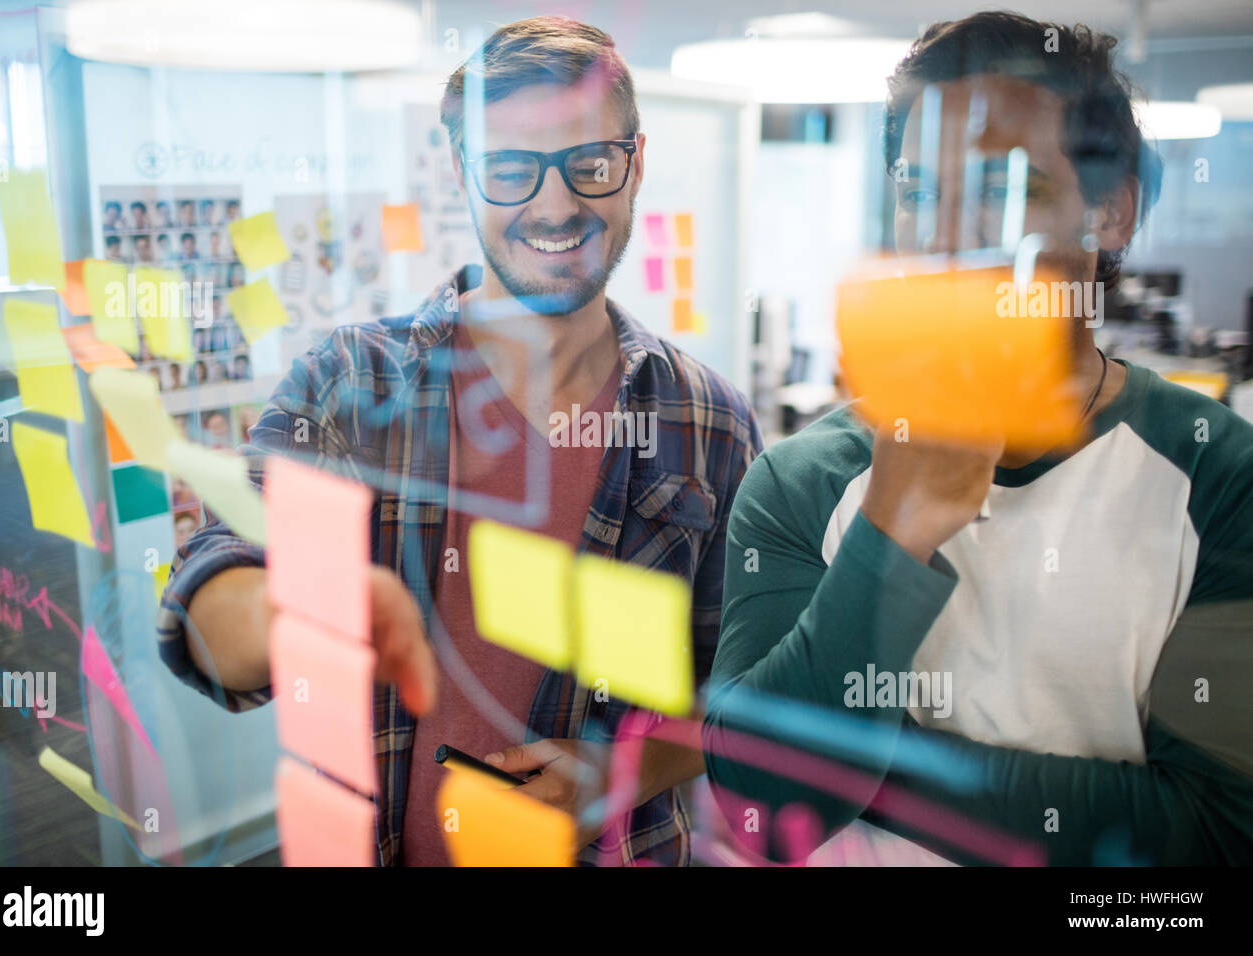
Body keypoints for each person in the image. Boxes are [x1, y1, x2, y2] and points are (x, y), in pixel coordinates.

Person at [157, 16, 761, 867]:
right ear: (461, 171)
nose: (556, 206)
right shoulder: (352, 381)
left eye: (590, 164)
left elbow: (741, 692)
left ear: (635, 162)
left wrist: (619, 773)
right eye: (511, 169)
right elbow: (211, 587)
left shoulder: (708, 420)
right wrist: (296, 609)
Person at [703, 11, 1253, 866]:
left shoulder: (1218, 473)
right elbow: (761, 806)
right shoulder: (803, 480)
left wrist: (860, 764)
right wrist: (890, 536)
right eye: (919, 194)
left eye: (1007, 188)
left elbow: (1216, 831)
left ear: (1110, 210)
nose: (947, 239)